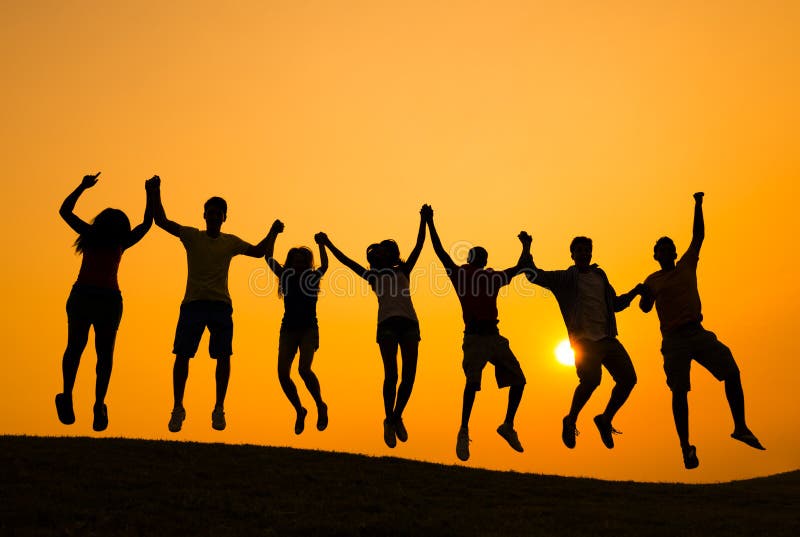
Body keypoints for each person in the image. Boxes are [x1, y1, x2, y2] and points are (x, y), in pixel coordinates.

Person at [639, 192, 764, 469]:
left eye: (670, 249)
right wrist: (643, 293)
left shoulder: (686, 265)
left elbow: (699, 236)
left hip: (697, 332)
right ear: (656, 256)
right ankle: (686, 448)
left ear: (675, 253)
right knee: (679, 391)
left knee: (731, 369)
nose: (666, 253)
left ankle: (740, 427)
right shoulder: (652, 280)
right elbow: (645, 308)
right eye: (661, 250)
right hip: (674, 340)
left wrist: (698, 205)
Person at [147, 176, 274, 432]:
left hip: (220, 306)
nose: (214, 216)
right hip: (193, 304)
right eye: (210, 212)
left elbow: (258, 252)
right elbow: (161, 221)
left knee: (223, 356)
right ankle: (178, 407)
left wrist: (273, 232)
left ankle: (219, 408)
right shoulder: (192, 236)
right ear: (204, 215)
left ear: (224, 217)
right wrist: (153, 192)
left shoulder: (230, 242)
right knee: (182, 355)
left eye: (218, 213)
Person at [315, 206, 427, 448]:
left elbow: (419, 246)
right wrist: (327, 243)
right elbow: (347, 261)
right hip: (386, 325)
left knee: (409, 376)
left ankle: (396, 417)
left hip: (409, 324)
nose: (383, 253)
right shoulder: (372, 276)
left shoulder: (403, 269)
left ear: (393, 254)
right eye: (380, 251)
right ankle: (388, 419)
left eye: (387, 250)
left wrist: (424, 220)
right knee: (392, 375)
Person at [425, 207, 530, 461]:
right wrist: (430, 222)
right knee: (472, 384)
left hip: (494, 335)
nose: (481, 256)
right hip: (474, 338)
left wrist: (526, 246)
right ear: (472, 258)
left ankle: (507, 425)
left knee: (519, 380)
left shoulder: (492, 277)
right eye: (478, 253)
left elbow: (519, 267)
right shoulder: (461, 274)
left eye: (483, 254)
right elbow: (440, 251)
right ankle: (463, 430)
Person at [524, 236, 642, 449]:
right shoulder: (565, 278)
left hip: (607, 338)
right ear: (572, 255)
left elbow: (615, 304)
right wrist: (526, 247)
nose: (583, 254)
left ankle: (605, 419)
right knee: (591, 381)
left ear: (591, 253)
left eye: (587, 250)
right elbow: (534, 275)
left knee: (628, 379)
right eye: (579, 250)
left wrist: (635, 291)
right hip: (583, 341)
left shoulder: (600, 276)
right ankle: (570, 420)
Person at [56, 172, 153, 431]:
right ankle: (86, 402)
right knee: (94, 353)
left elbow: (65, 211)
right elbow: (146, 224)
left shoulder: (99, 236)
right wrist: (150, 193)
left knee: (84, 350)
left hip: (94, 298)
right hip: (98, 299)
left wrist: (82, 187)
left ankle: (83, 400)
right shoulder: (112, 239)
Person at [264, 220, 329, 434]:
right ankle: (300, 410)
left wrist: (322, 244)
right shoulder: (286, 275)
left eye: (303, 261)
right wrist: (274, 232)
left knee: (304, 369)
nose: (299, 265)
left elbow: (325, 266)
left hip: (308, 329)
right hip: (288, 329)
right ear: (290, 263)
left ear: (307, 264)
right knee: (283, 374)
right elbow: (268, 257)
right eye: (296, 261)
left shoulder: (312, 277)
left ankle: (320, 405)